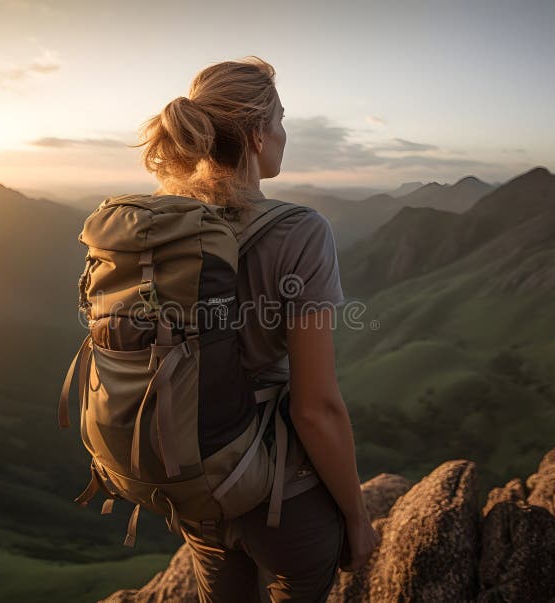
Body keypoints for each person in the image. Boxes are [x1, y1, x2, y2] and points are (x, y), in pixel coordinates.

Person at [133, 56, 381, 602]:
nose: (285, 134)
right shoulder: (302, 233)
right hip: (282, 497)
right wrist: (358, 518)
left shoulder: (163, 227)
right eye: (281, 120)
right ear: (254, 135)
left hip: (197, 481)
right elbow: (316, 408)